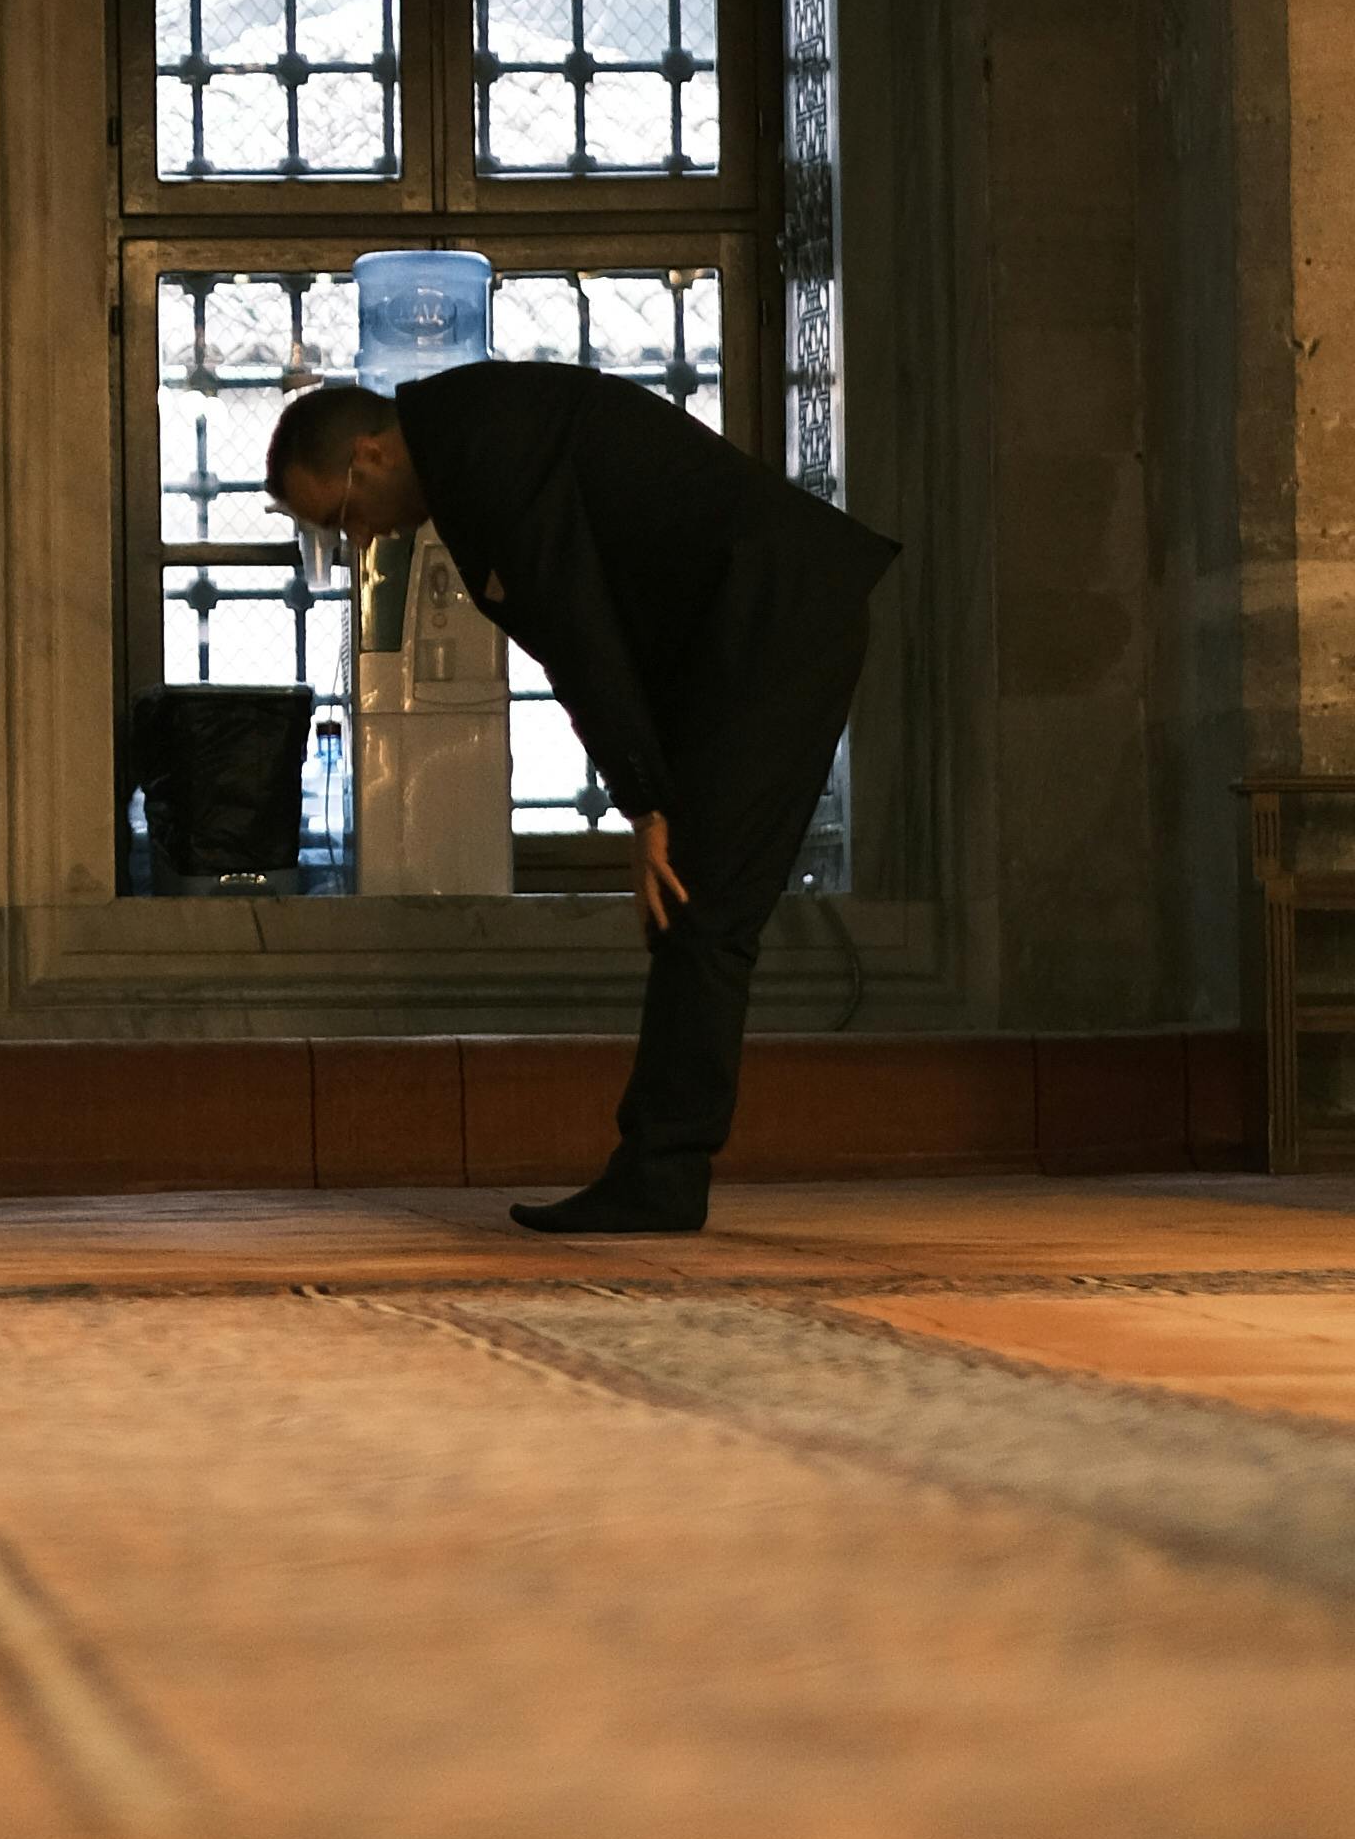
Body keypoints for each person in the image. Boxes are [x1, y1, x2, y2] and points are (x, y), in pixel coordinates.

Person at [265, 360, 897, 1237]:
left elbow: (577, 632)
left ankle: (662, 1175)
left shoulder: (481, 449)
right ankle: (660, 1168)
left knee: (699, 907)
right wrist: (653, 790)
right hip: (738, 630)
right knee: (696, 911)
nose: (362, 542)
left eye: (343, 516)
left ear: (369, 453)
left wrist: (646, 807)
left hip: (773, 614)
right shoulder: (468, 437)